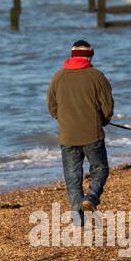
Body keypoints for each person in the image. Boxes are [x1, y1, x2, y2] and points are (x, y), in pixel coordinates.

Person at [46, 40, 115, 225]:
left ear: (72, 56)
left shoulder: (57, 77)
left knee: (72, 178)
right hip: (92, 134)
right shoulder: (97, 76)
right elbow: (107, 108)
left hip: (67, 135)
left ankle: (79, 221)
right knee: (100, 169)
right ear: (90, 56)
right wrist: (103, 120)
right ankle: (91, 198)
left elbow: (52, 108)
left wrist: (67, 121)